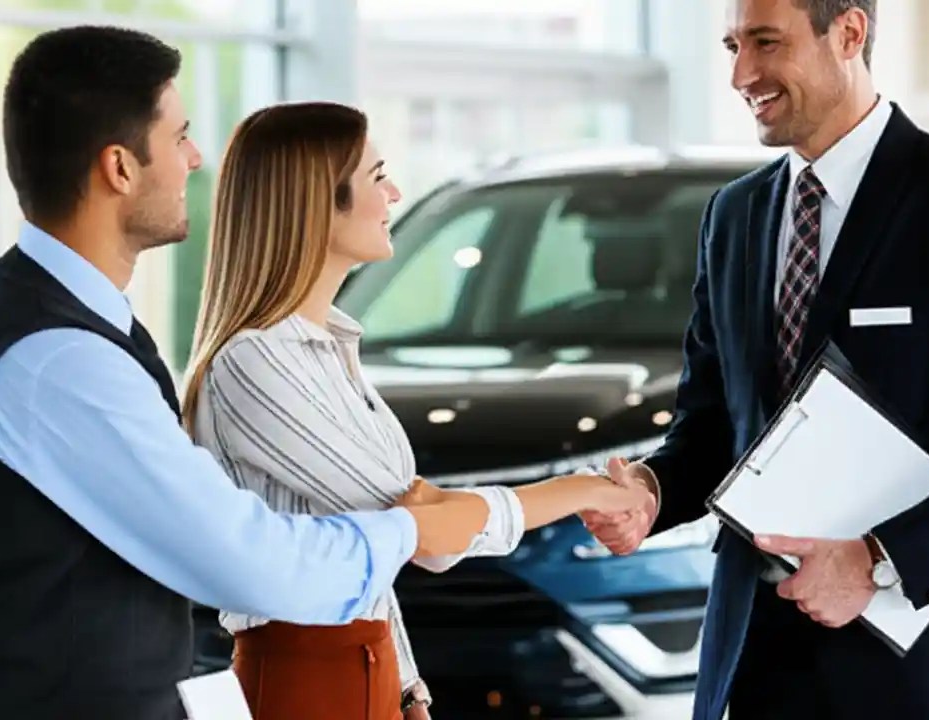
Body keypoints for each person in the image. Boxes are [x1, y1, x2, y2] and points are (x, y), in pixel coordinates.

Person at [0, 26, 498, 720]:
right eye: (180, 136)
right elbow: (245, 559)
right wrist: (413, 529)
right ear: (120, 168)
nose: (196, 159)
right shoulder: (57, 358)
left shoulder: (74, 326)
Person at [582, 1, 929, 719]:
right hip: (759, 658)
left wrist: (878, 560)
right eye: (732, 45)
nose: (740, 74)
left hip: (924, 666)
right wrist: (652, 493)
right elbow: (716, 427)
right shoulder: (734, 216)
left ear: (848, 33)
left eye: (765, 43)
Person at [180, 100, 655, 720]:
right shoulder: (254, 362)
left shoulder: (329, 348)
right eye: (378, 178)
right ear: (317, 203)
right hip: (303, 679)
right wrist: (582, 490)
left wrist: (406, 683)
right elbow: (417, 527)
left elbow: (398, 546)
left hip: (363, 665)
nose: (395, 194)